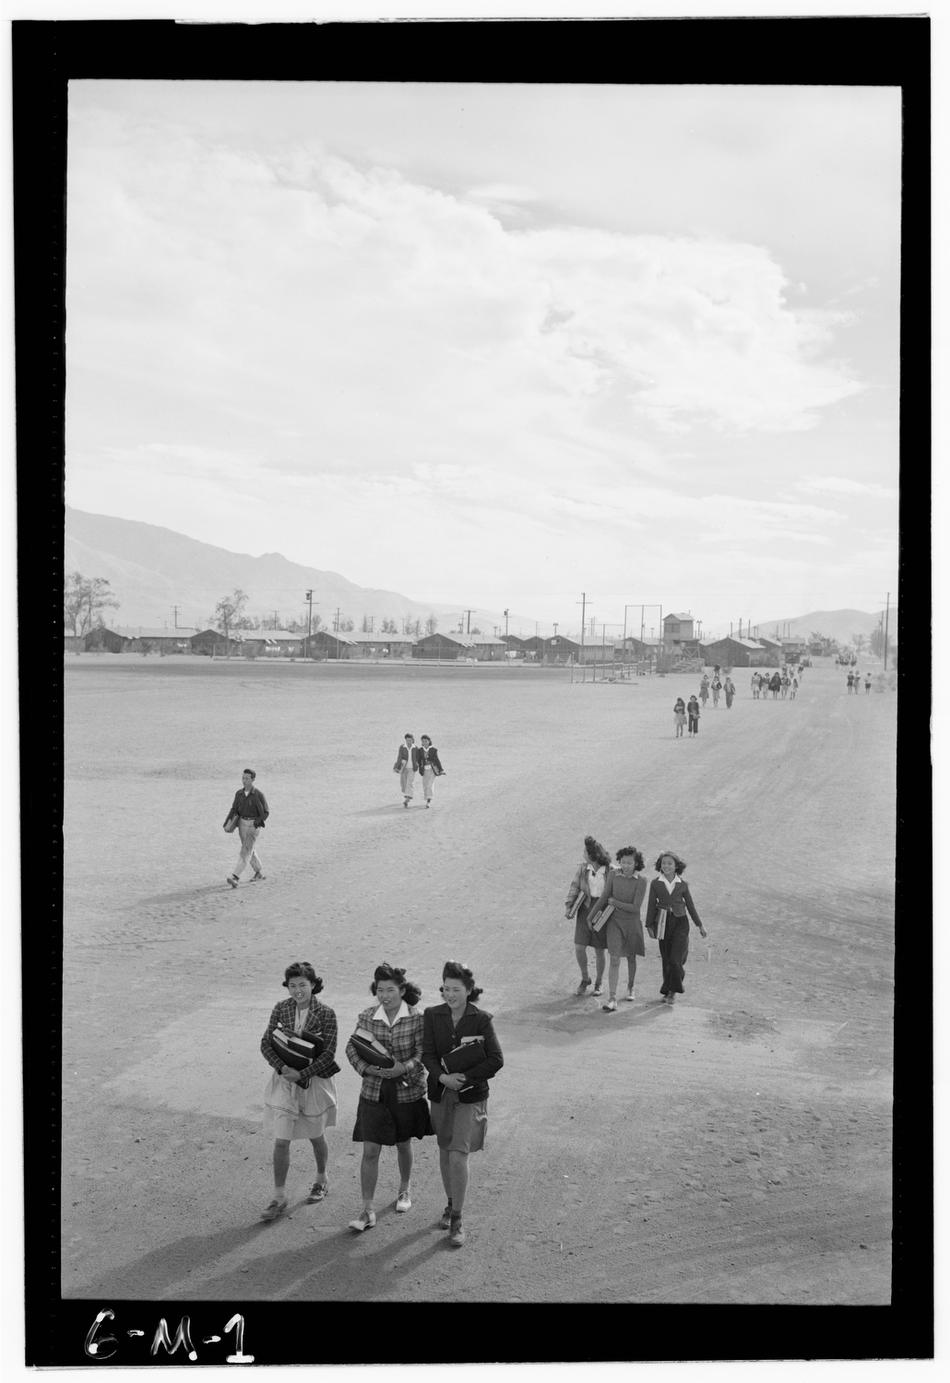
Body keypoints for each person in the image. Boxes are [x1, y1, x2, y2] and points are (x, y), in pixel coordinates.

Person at [344, 964, 432, 1232]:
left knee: (404, 1143)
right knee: (370, 1150)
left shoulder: (417, 1019)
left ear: (402, 990)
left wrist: (404, 1067)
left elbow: (423, 1052)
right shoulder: (367, 1016)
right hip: (374, 1092)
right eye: (380, 990)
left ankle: (404, 1189)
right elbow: (352, 1048)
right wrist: (367, 1069)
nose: (385, 996)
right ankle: (367, 1209)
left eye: (390, 990)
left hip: (406, 1093)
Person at [422, 961, 504, 1247]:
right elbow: (427, 1054)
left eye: (456, 989)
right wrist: (444, 1077)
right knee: (445, 1151)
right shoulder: (432, 1015)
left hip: (470, 1096)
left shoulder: (481, 1019)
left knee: (458, 1155)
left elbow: (496, 1059)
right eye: (446, 989)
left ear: (469, 990)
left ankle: (457, 1217)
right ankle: (450, 1203)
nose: (450, 994)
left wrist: (466, 1077)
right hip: (442, 1093)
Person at [259, 961, 341, 1221]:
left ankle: (321, 1179)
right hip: (285, 1082)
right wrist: (283, 1068)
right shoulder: (280, 1008)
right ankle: (279, 1197)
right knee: (281, 1140)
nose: (297, 990)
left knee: (316, 1135)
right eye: (292, 985)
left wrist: (302, 1074)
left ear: (313, 985)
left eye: (302, 985)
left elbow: (328, 1054)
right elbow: (266, 1043)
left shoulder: (326, 1013)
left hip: (313, 1084)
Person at [589, 846, 647, 1010]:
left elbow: (635, 907)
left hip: (632, 924)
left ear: (636, 864)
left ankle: (630, 986)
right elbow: (604, 897)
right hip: (614, 923)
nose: (626, 865)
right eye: (623, 862)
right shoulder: (613, 875)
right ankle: (612, 998)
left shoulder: (642, 881)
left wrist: (616, 903)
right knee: (614, 958)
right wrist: (591, 916)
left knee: (631, 957)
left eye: (630, 863)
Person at [645, 853, 708, 1006]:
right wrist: (649, 925)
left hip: (681, 923)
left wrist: (700, 925)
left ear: (676, 866)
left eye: (670, 863)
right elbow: (651, 905)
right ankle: (668, 989)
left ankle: (673, 991)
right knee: (667, 960)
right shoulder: (655, 883)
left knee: (675, 960)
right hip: (662, 923)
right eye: (663, 863)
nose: (666, 866)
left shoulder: (683, 885)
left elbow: (690, 906)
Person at [564, 835, 612, 996]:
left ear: (592, 855)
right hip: (585, 909)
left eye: (585, 852)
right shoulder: (583, 869)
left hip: (602, 911)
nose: (583, 854)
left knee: (599, 950)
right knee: (579, 947)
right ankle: (585, 978)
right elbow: (575, 887)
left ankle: (599, 982)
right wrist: (569, 906)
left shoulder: (610, 870)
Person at [224, 768, 269, 888]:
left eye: (247, 778)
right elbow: (234, 809)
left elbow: (266, 812)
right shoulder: (238, 793)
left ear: (253, 779)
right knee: (249, 849)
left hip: (254, 826)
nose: (244, 780)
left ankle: (235, 877)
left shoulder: (258, 794)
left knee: (245, 851)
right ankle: (258, 872)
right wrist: (227, 823)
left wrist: (256, 823)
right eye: (243, 778)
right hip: (241, 825)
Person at [418, 734, 446, 808]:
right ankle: (427, 797)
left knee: (430, 785)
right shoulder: (420, 750)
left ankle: (429, 800)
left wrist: (441, 770)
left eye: (426, 741)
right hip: (424, 770)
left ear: (429, 741)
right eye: (423, 741)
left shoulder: (433, 750)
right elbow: (418, 761)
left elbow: (437, 760)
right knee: (425, 785)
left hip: (432, 770)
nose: (424, 742)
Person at [393, 733, 420, 807]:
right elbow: (399, 757)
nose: (409, 742)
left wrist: (417, 765)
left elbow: (418, 758)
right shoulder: (402, 747)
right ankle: (407, 795)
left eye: (410, 740)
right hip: (404, 768)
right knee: (403, 784)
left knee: (410, 782)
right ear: (405, 740)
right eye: (407, 740)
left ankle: (408, 798)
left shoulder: (416, 748)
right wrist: (396, 767)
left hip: (412, 768)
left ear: (412, 740)